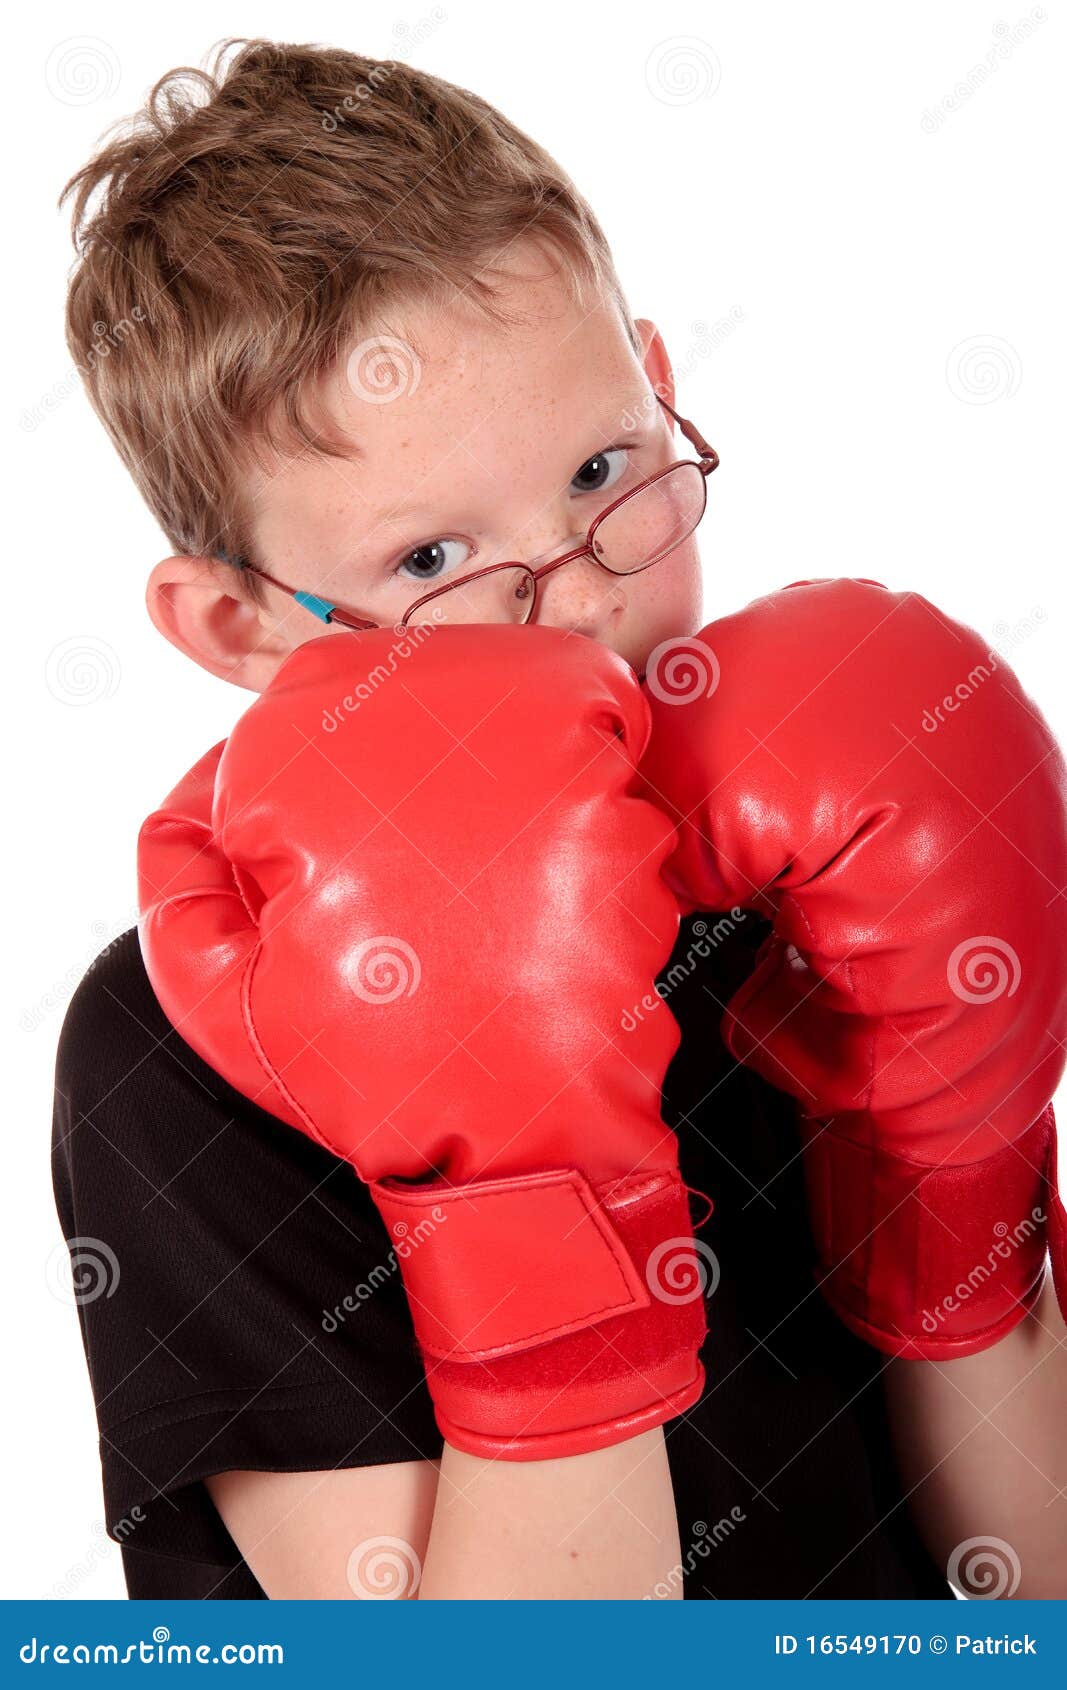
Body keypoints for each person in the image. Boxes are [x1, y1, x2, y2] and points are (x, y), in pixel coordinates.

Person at [52, 38, 1067, 1600]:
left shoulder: (833, 873)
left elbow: (1037, 1591)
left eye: (604, 468)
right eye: (433, 558)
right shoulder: (182, 1054)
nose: (582, 603)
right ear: (241, 626)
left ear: (661, 386)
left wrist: (960, 1206)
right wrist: (527, 1193)